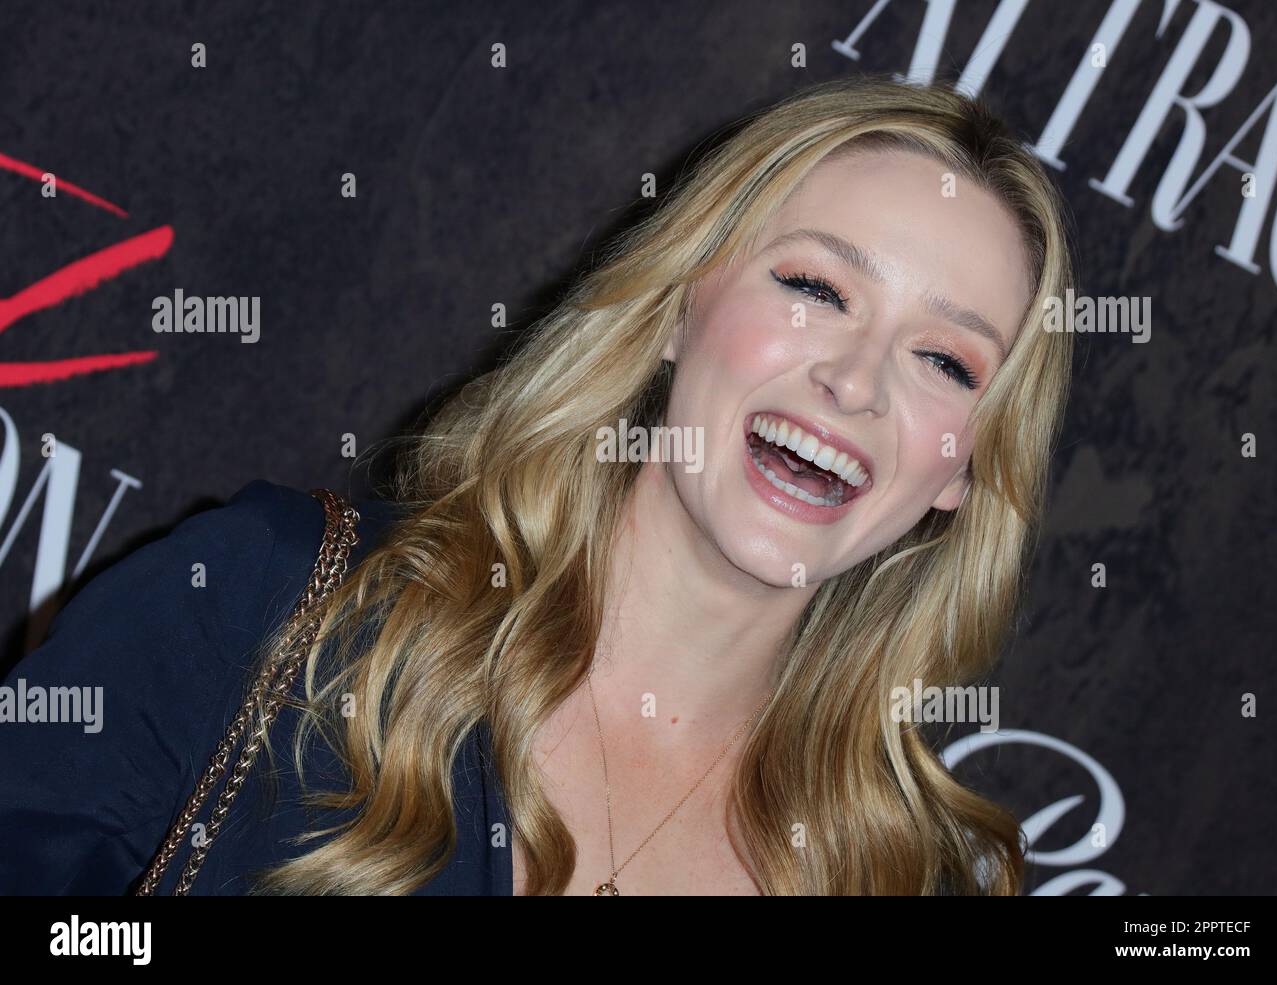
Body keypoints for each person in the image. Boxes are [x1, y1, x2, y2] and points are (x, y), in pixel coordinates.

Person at [0, 73, 1075, 895]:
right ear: (673, 309)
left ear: (964, 469)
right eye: (813, 286)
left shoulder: (903, 876)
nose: (854, 382)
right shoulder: (269, 601)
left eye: (944, 361)